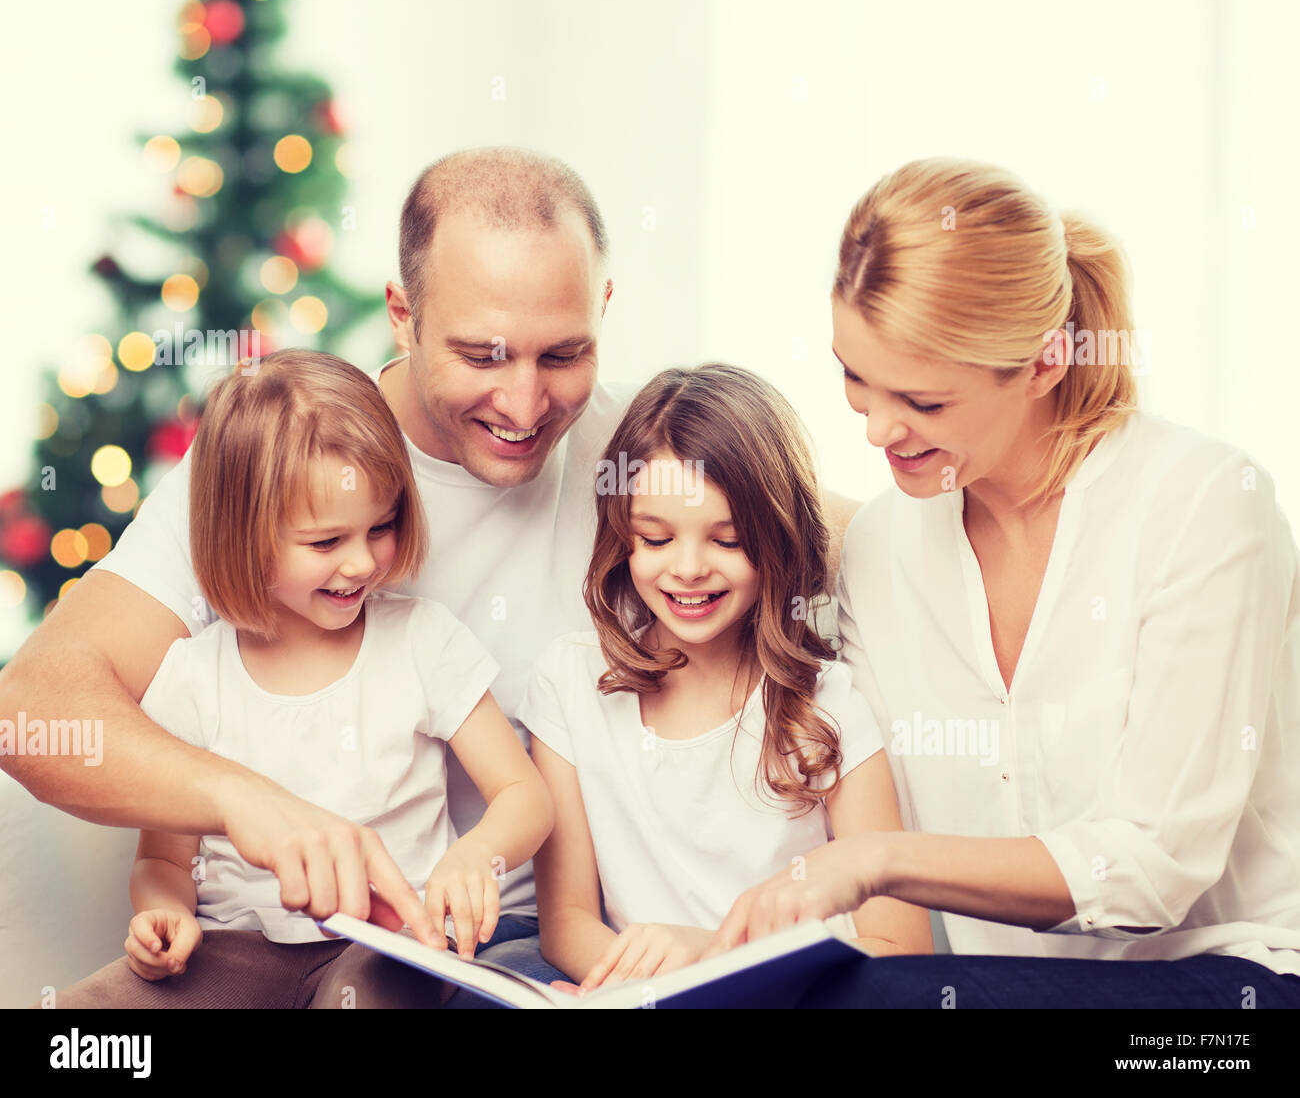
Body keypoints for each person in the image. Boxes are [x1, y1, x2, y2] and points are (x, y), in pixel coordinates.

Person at [1, 146, 860, 996]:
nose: (525, 407)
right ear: (401, 315)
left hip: (507, 949)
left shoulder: (642, 454)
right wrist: (243, 800)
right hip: (269, 939)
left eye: (562, 355)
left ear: (602, 308)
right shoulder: (284, 464)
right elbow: (30, 711)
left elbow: (819, 523)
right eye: (482, 356)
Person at [703, 158, 1300, 1008]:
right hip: (998, 990)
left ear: (1046, 363)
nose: (876, 428)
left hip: (1226, 997)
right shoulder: (881, 544)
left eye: (923, 400)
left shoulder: (1206, 508)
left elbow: (1150, 869)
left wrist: (875, 856)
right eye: (854, 377)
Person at [51, 350, 553, 1008]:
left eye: (382, 525)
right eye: (325, 542)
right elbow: (165, 861)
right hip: (233, 947)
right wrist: (161, 913)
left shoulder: (422, 640)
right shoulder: (195, 676)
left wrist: (480, 850)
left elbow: (526, 793)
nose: (362, 560)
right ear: (246, 538)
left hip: (390, 945)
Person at [519, 364, 932, 993]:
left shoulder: (830, 705)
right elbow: (568, 922)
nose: (688, 569)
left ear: (777, 539)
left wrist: (711, 958)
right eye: (656, 539)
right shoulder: (569, 682)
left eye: (728, 540)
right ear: (622, 536)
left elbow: (899, 947)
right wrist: (631, 990)